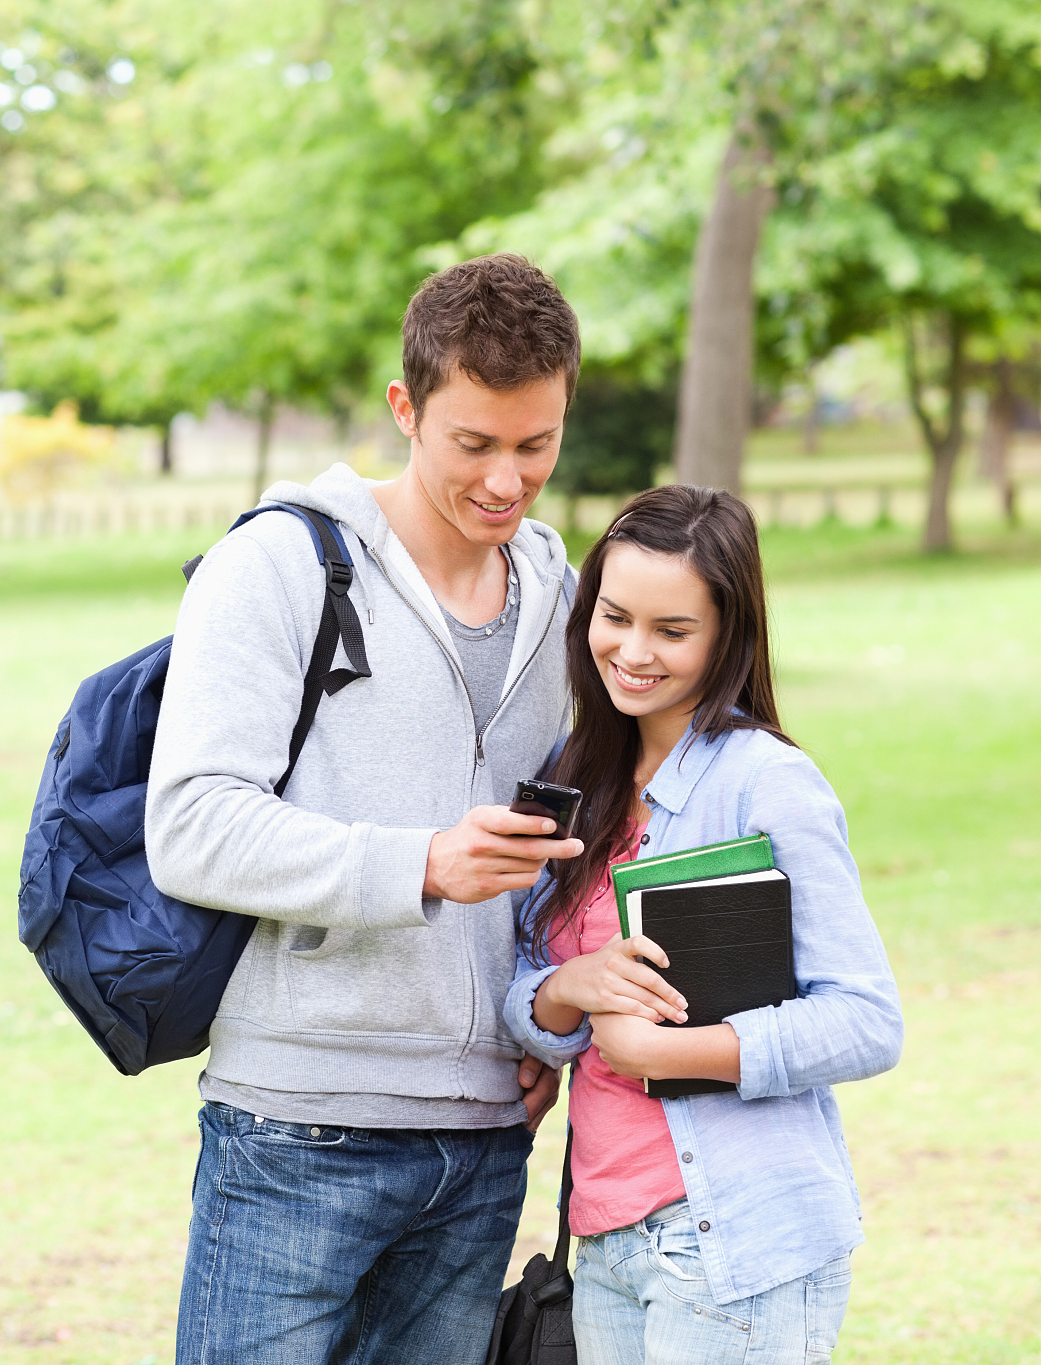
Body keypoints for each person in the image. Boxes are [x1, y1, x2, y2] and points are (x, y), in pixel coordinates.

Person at [147, 253, 588, 1365]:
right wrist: (421, 863)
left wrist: (542, 1016)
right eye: (472, 444)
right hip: (298, 1124)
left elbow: (564, 850)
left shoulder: (561, 591)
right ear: (404, 408)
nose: (504, 481)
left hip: (486, 1134)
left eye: (533, 446)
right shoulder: (279, 565)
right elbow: (191, 821)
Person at [505, 485, 902, 1364]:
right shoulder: (575, 777)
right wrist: (568, 990)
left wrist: (667, 1052)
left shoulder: (765, 784)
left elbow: (867, 1019)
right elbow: (525, 977)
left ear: (728, 635)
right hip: (606, 1238)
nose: (633, 652)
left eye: (672, 631)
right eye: (615, 616)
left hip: (737, 1244)